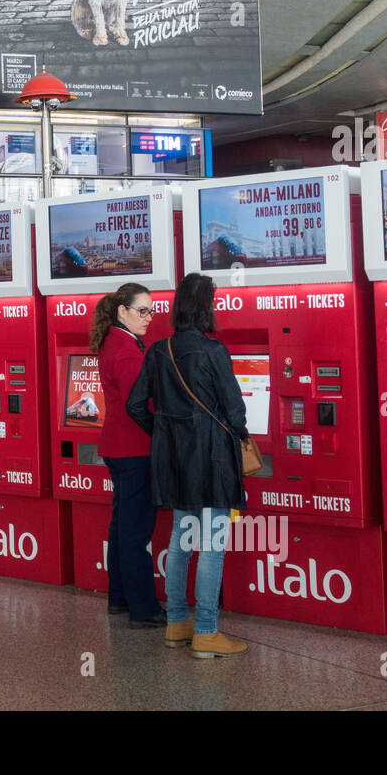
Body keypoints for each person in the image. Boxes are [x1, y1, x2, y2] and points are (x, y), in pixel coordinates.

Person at [126, 273, 249, 658]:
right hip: (212, 461)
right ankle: (207, 632)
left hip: (174, 462)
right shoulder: (214, 351)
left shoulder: (158, 350)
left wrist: (164, 431)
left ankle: (177, 624)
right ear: (207, 308)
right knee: (211, 546)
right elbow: (235, 411)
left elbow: (134, 406)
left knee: (181, 539)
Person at [92, 282, 165, 629]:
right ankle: (143, 608)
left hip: (118, 447)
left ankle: (119, 598)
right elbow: (142, 403)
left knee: (122, 526)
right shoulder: (126, 350)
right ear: (123, 311)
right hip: (134, 448)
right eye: (142, 311)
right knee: (136, 532)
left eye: (151, 311)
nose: (149, 318)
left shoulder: (114, 342)